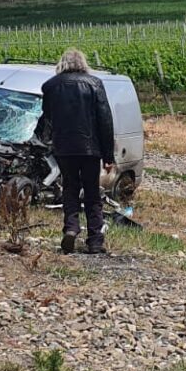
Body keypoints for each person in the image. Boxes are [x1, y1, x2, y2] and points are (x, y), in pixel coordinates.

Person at [38, 48, 115, 255]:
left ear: (62, 63)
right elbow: (105, 120)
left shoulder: (51, 86)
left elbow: (47, 119)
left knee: (70, 189)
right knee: (92, 192)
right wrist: (109, 156)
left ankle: (71, 228)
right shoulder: (95, 84)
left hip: (64, 147)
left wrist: (43, 142)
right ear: (83, 63)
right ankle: (95, 241)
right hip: (91, 148)